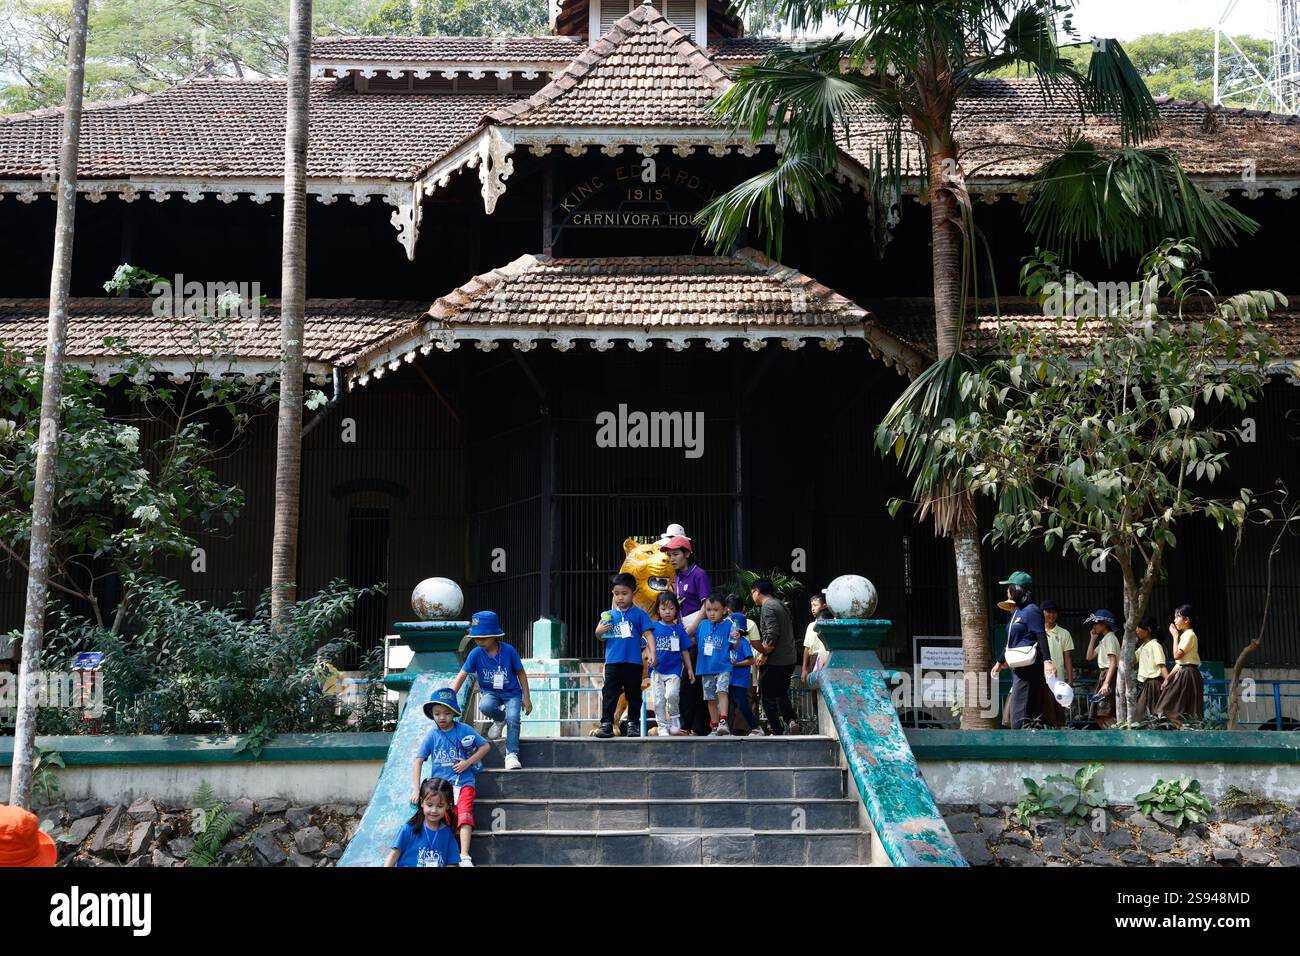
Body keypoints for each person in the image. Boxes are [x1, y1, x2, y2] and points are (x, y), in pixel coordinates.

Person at [411, 686, 491, 867]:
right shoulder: (432, 735)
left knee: (464, 813)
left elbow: (485, 746)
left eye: (447, 713)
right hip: (441, 789)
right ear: (432, 714)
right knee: (442, 818)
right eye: (437, 713)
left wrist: (467, 762)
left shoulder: (463, 729)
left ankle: (464, 855)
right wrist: (416, 789)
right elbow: (418, 761)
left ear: (454, 713)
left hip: (464, 783)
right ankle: (445, 854)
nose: (442, 717)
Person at [450, 610, 531, 771]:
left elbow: (521, 672)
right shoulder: (475, 654)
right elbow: (462, 675)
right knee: (485, 706)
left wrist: (526, 697)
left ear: (495, 635)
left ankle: (511, 754)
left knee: (513, 718)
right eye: (476, 639)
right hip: (490, 693)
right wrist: (449, 697)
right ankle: (500, 719)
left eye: (483, 638)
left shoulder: (509, 651)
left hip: (512, 693)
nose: (479, 642)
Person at [989, 571, 1057, 728]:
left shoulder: (1031, 610)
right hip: (1019, 669)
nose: (1007, 591)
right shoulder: (1016, 611)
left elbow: (1041, 636)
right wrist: (1000, 662)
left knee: (1019, 715)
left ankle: (1021, 748)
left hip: (1030, 669)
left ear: (1017, 589)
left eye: (1009, 587)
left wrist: (1048, 661)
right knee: (1021, 713)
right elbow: (1012, 642)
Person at [594, 572, 656, 739]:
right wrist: (599, 631)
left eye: (624, 593)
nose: (620, 597)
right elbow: (600, 636)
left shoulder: (640, 614)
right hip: (613, 662)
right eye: (616, 594)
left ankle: (633, 724)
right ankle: (606, 723)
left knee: (634, 694)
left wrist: (652, 654)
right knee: (609, 693)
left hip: (634, 663)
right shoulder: (608, 615)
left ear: (633, 594)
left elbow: (649, 634)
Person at [662, 534, 712, 735]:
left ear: (687, 554)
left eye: (675, 554)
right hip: (683, 635)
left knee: (690, 681)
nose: (671, 559)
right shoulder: (677, 577)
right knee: (690, 682)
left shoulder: (699, 574)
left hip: (696, 636)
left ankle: (687, 726)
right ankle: (695, 727)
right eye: (670, 555)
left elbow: (706, 605)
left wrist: (692, 629)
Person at [752, 577, 799, 736]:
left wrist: (765, 653)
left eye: (752, 592)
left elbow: (772, 634)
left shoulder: (768, 607)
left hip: (775, 661)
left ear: (757, 591)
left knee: (767, 697)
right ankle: (791, 721)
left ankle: (776, 731)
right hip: (789, 659)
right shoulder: (780, 604)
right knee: (780, 692)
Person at [386, 777, 460, 867]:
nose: (434, 810)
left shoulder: (448, 833)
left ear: (448, 806)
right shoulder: (409, 829)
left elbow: (452, 863)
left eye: (440, 806)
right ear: (422, 802)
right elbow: (394, 855)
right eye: (429, 805)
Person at [650, 591, 694, 736]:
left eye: (671, 608)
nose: (667, 612)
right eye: (663, 609)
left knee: (672, 695)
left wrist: (689, 669)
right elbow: (649, 647)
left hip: (674, 671)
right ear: (658, 610)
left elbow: (685, 650)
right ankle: (662, 726)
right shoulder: (653, 628)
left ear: (676, 609)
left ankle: (674, 719)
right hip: (657, 671)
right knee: (658, 701)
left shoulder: (679, 629)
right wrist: (651, 657)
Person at [1156, 604, 1204, 726]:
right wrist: (1168, 678)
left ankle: (1181, 730)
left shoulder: (1189, 635)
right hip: (1183, 672)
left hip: (1188, 674)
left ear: (1186, 620)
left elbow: (1177, 655)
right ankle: (1179, 728)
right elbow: (1179, 663)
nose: (1174, 620)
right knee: (1169, 707)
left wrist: (1175, 636)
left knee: (1180, 709)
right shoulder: (1185, 635)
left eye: (1177, 617)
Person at [695, 591, 735, 735]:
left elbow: (734, 646)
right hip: (706, 668)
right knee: (710, 699)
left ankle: (723, 721)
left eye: (716, 610)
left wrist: (735, 638)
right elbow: (694, 640)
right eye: (708, 610)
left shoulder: (729, 626)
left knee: (722, 691)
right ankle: (714, 726)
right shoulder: (702, 625)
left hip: (723, 666)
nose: (712, 613)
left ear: (724, 610)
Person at [725, 594, 764, 736]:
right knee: (727, 703)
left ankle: (755, 726)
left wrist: (737, 663)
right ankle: (726, 728)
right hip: (729, 678)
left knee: (742, 704)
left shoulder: (744, 643)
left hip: (741, 680)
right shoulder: (727, 644)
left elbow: (751, 660)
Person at [1084, 609, 1121, 729]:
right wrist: (1093, 638)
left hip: (1108, 675)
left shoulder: (1110, 638)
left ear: (1104, 624)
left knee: (1105, 711)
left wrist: (1106, 683)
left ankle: (1116, 736)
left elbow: (1113, 662)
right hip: (1104, 675)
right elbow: (1089, 657)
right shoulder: (1104, 639)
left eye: (1096, 623)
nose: (1094, 626)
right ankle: (1111, 735)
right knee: (1098, 713)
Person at [1040, 599, 1073, 727]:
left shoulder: (1064, 633)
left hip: (1058, 681)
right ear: (1042, 613)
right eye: (1048, 612)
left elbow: (1068, 658)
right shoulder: (1036, 632)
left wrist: (1070, 679)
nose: (1051, 615)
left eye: (1054, 612)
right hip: (1039, 679)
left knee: (1058, 715)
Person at [1133, 615, 1169, 722]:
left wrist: (1168, 680)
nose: (1137, 630)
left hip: (1154, 684)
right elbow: (1132, 660)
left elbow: (1161, 665)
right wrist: (1132, 644)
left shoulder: (1155, 645)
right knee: (1145, 717)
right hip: (1147, 685)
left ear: (1148, 630)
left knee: (1142, 717)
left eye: (1139, 627)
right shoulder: (1143, 646)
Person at [802, 603, 833, 682]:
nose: (813, 608)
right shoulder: (811, 626)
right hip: (816, 661)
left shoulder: (831, 643)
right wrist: (804, 669)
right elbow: (807, 648)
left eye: (815, 605)